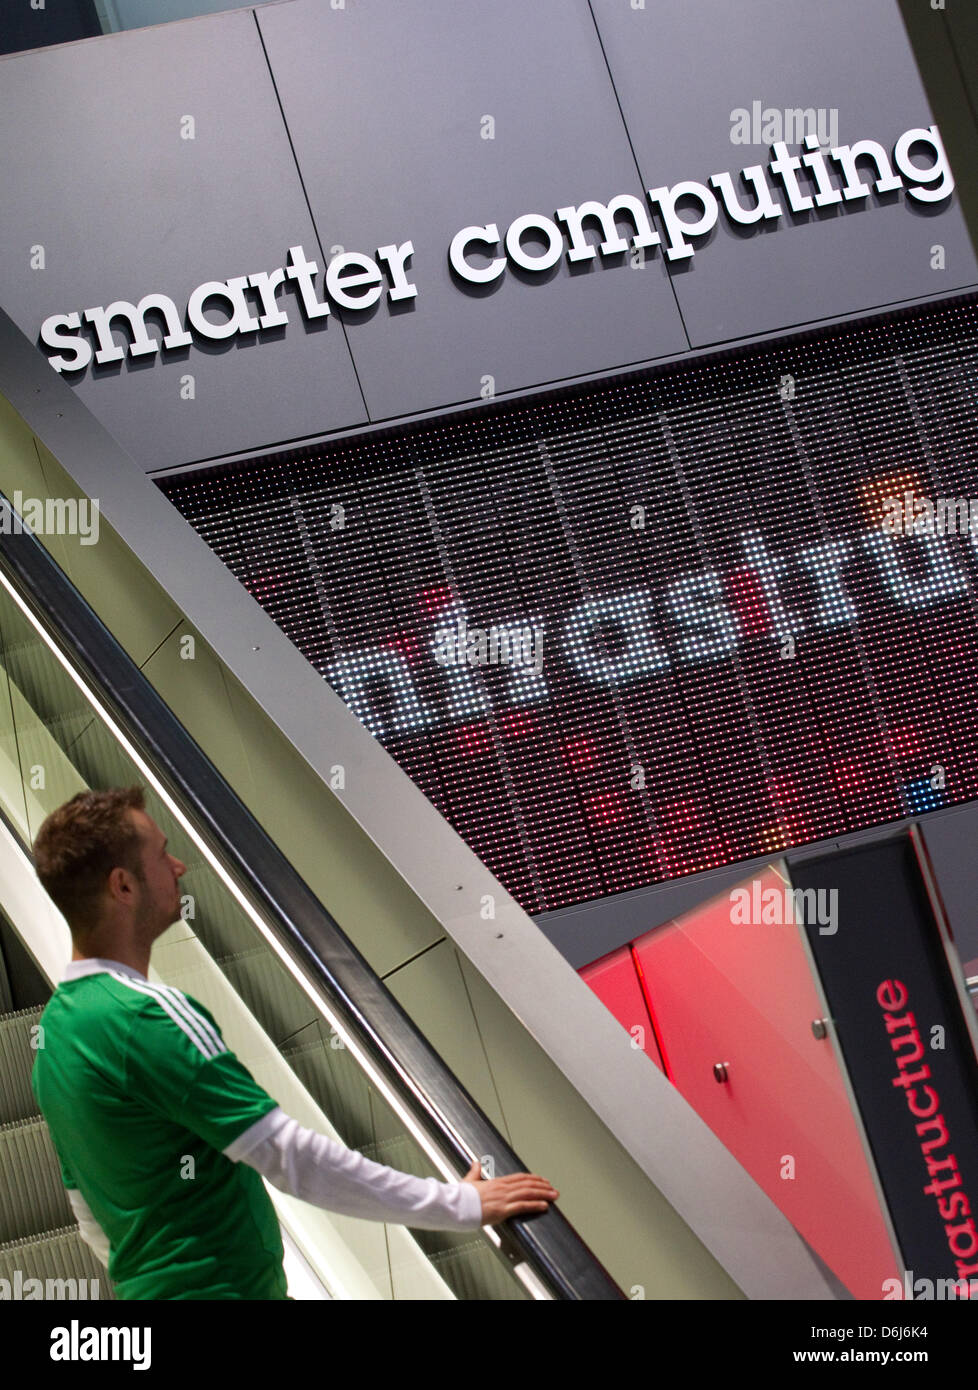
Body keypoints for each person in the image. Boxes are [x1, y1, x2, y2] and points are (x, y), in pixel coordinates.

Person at [31, 786, 558, 1300]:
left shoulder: (56, 1032)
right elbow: (291, 1158)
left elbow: (88, 1214)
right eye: (162, 854)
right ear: (123, 886)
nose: (178, 867)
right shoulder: (145, 1016)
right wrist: (456, 1204)